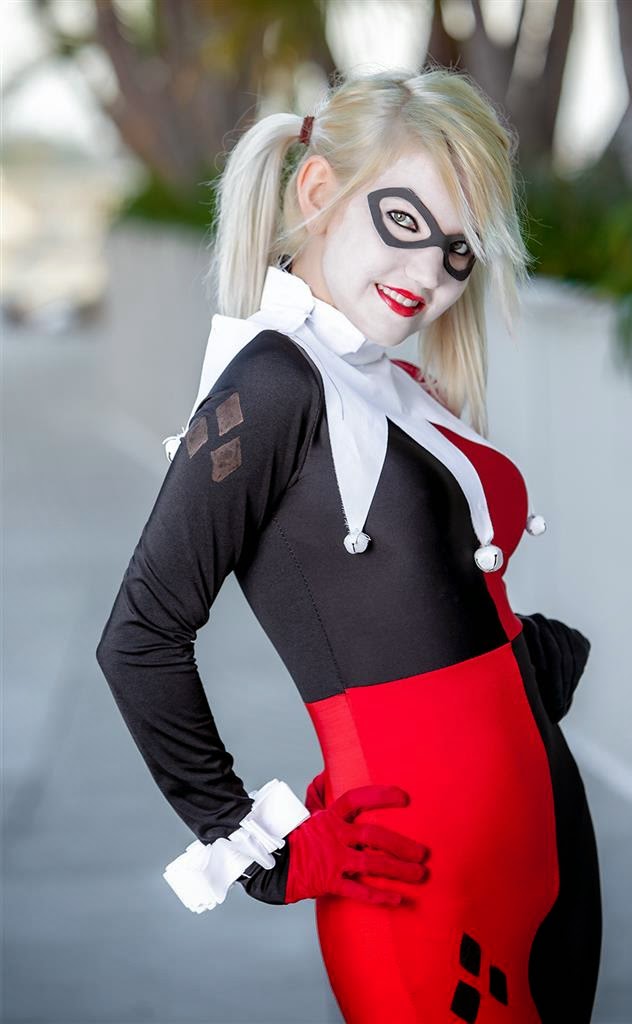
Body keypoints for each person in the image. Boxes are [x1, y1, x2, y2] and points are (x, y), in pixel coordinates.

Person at [96, 67, 602, 1024]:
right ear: (319, 192)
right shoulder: (274, 386)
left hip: (539, 844)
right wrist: (254, 843)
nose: (429, 275)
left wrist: (515, 659)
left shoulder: (384, 379)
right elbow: (141, 637)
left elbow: (407, 591)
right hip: (418, 890)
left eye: (458, 251)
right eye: (406, 224)